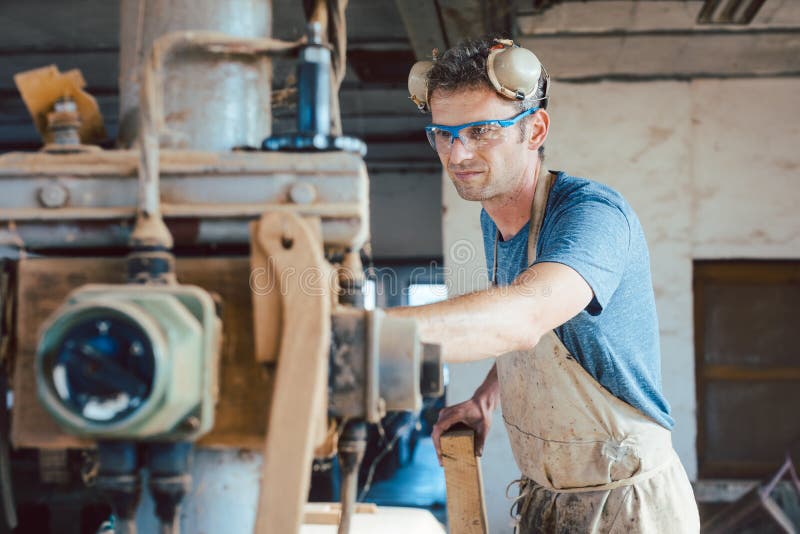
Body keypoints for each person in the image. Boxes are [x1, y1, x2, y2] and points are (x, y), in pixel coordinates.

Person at [389, 36, 700, 532]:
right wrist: (485, 399)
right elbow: (539, 337)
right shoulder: (496, 220)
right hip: (546, 495)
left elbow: (524, 315)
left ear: (535, 129)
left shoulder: (591, 216)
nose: (458, 152)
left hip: (627, 505)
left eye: (482, 130)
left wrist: (355, 339)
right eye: (443, 134)